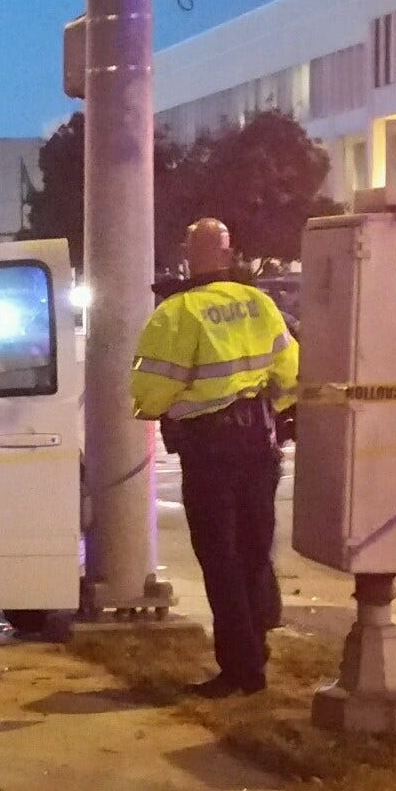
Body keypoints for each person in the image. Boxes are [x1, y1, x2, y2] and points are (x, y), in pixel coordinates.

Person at [132, 218, 296, 697]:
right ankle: (257, 646)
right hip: (260, 448)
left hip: (211, 454)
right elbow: (291, 372)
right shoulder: (260, 303)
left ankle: (241, 670)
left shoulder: (177, 313)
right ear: (228, 254)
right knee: (253, 550)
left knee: (220, 559)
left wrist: (161, 409)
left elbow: (150, 390)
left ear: (189, 253)